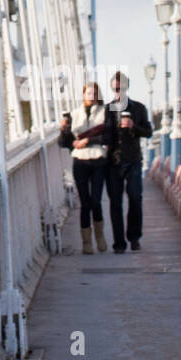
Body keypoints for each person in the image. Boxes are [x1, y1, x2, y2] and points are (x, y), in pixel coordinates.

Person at [59, 82, 110, 254]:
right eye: (87, 93)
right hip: (80, 161)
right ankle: (86, 242)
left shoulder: (104, 113)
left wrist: (88, 141)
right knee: (85, 202)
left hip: (98, 159)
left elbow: (108, 136)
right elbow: (63, 143)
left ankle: (100, 236)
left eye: (93, 93)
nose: (90, 96)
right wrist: (64, 130)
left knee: (96, 200)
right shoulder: (74, 114)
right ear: (83, 95)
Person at [105, 70, 152, 252]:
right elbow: (105, 135)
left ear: (127, 87)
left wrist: (134, 126)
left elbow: (148, 132)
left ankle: (134, 237)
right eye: (115, 88)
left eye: (121, 88)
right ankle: (119, 243)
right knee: (115, 202)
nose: (118, 91)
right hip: (113, 162)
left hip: (133, 159)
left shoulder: (139, 108)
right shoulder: (108, 108)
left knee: (135, 197)